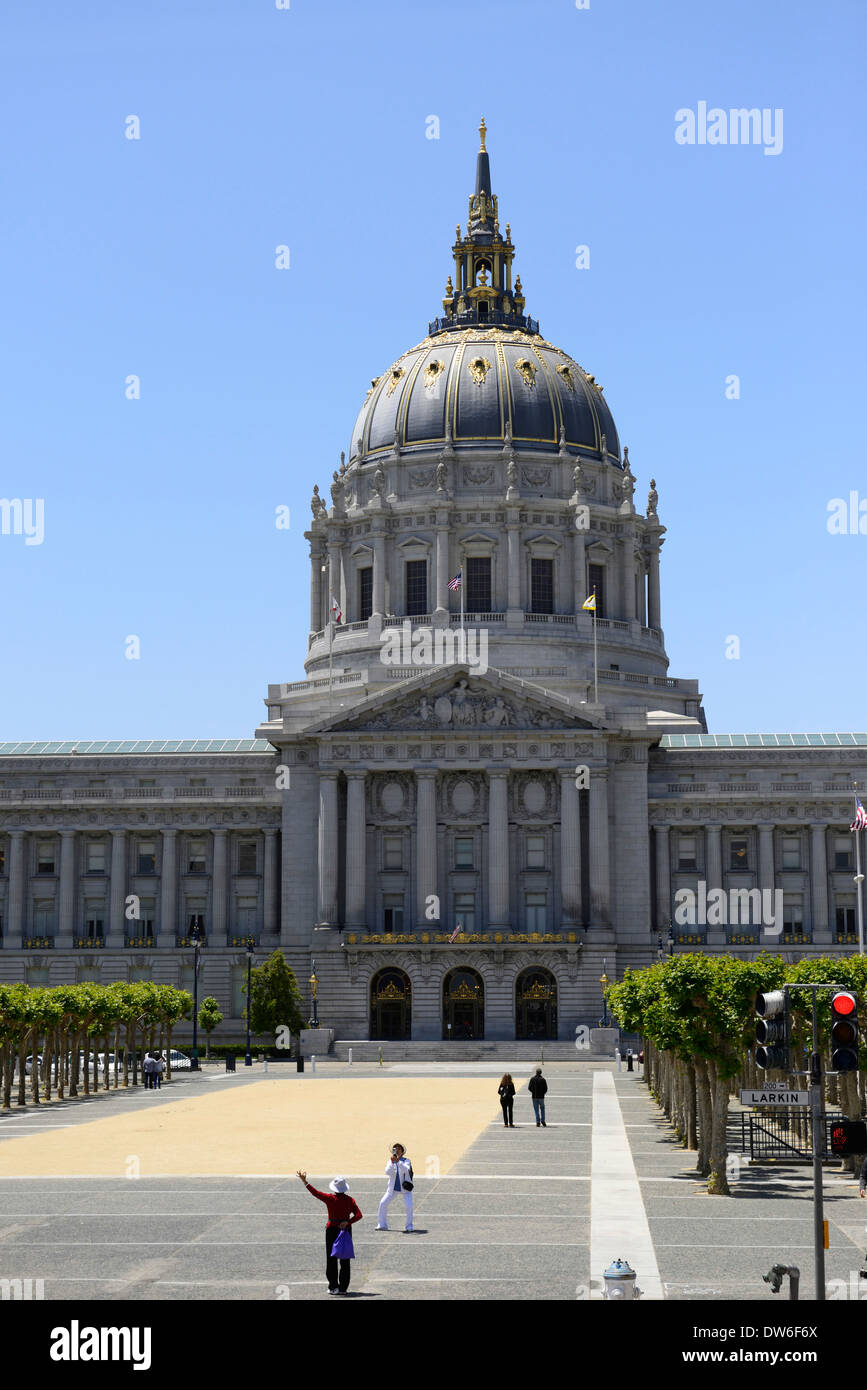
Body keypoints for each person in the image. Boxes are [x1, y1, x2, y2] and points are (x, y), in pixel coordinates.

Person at [297, 1170, 363, 1295]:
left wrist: (305, 1181)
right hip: (346, 1230)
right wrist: (348, 1222)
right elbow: (359, 1215)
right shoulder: (350, 1200)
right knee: (345, 1259)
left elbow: (315, 1193)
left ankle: (333, 1287)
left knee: (331, 1258)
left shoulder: (330, 1198)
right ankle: (343, 1288)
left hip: (332, 1229)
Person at [376, 1143, 414, 1232]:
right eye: (395, 1149)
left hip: (405, 1188)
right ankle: (382, 1224)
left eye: (399, 1149)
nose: (397, 1151)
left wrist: (398, 1161)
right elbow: (387, 1172)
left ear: (402, 1151)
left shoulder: (406, 1160)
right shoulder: (390, 1161)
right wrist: (392, 1163)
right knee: (382, 1203)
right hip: (393, 1188)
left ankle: (409, 1226)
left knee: (409, 1206)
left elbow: (406, 1169)